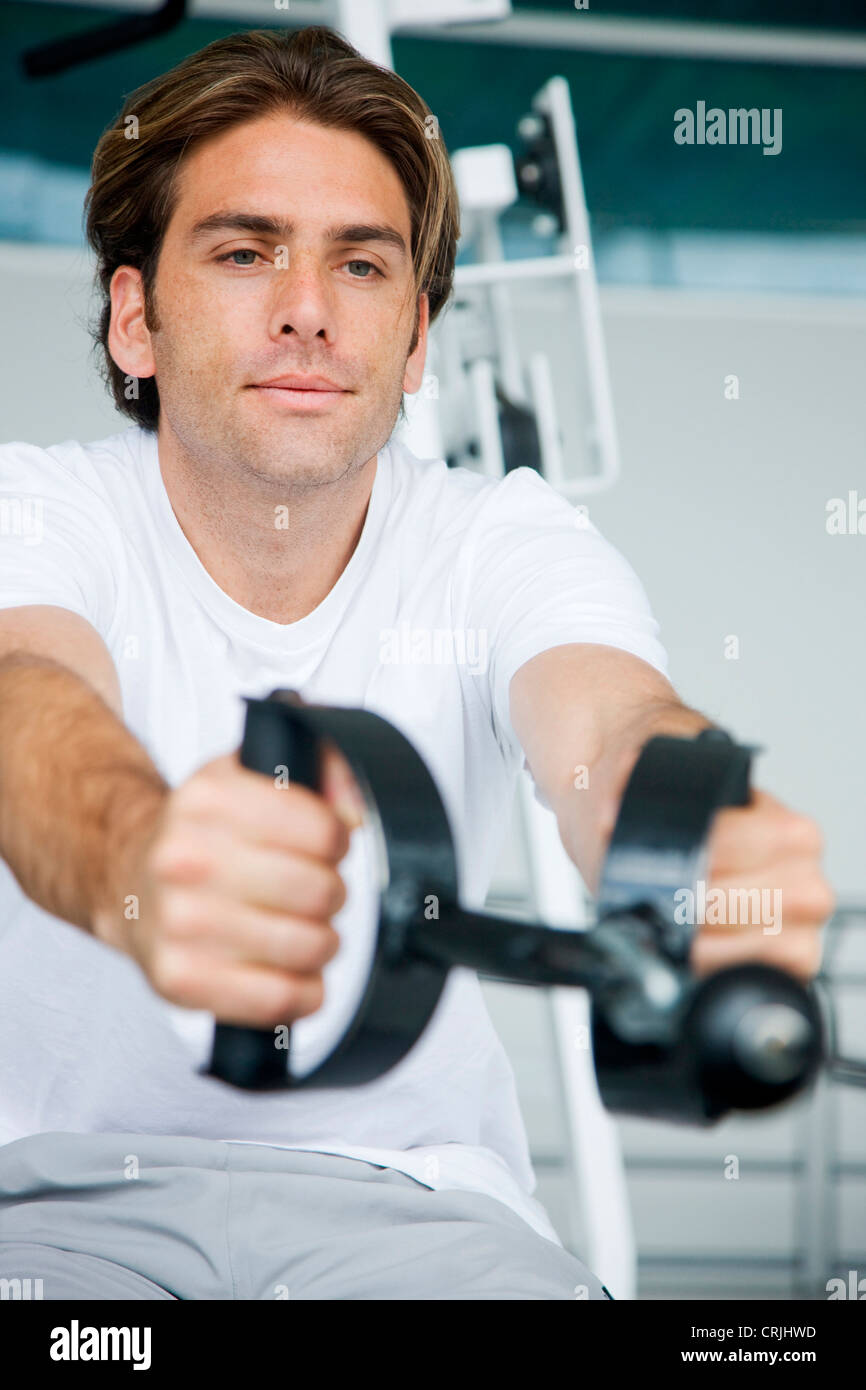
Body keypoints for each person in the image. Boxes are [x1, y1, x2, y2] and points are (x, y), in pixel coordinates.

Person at [0, 25, 833, 1301]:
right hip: (52, 1202)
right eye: (243, 251)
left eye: (362, 264)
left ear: (418, 340)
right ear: (135, 321)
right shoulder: (39, 512)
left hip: (414, 1210)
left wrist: (685, 835)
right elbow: (26, 707)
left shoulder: (500, 537)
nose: (307, 310)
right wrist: (134, 855)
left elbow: (609, 722)